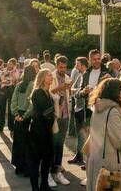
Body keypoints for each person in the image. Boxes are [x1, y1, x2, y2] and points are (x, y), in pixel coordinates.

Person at [85, 78, 121, 191]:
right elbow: (120, 142)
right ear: (115, 91)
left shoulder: (98, 108)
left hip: (98, 159)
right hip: (111, 163)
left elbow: (106, 135)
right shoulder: (113, 111)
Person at [28, 69, 56, 191]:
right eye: (49, 75)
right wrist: (53, 113)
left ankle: (44, 185)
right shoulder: (38, 92)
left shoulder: (47, 92)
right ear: (43, 78)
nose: (51, 77)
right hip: (38, 132)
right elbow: (46, 112)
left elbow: (49, 112)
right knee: (36, 161)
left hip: (46, 131)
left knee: (47, 160)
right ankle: (35, 188)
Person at [11, 65, 37, 176]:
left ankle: (18, 167)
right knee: (28, 144)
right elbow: (32, 105)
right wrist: (25, 115)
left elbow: (13, 101)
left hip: (18, 117)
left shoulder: (19, 85)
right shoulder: (33, 86)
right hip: (27, 118)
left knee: (17, 143)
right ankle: (27, 169)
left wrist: (16, 114)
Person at [50, 56, 72, 186]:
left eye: (64, 67)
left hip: (65, 114)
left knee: (60, 143)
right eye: (60, 67)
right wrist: (60, 88)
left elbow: (69, 94)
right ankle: (51, 170)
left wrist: (70, 89)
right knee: (53, 143)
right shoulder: (50, 76)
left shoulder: (68, 77)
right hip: (54, 115)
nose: (63, 69)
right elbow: (47, 92)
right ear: (56, 65)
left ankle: (58, 168)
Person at [68, 57, 89, 166]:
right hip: (77, 108)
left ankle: (87, 160)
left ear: (83, 65)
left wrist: (77, 91)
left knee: (86, 135)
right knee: (79, 135)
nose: (76, 66)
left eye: (77, 64)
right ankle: (79, 156)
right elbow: (72, 89)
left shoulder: (87, 76)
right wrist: (79, 91)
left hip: (84, 109)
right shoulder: (79, 75)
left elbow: (78, 91)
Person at [2, 58, 19, 134]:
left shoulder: (16, 71)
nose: (9, 65)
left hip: (11, 89)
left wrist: (13, 72)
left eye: (11, 64)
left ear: (14, 65)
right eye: (8, 63)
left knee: (10, 108)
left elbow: (15, 80)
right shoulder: (4, 70)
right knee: (2, 108)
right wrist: (7, 78)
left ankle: (11, 127)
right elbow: (2, 78)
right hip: (3, 89)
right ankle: (0, 126)